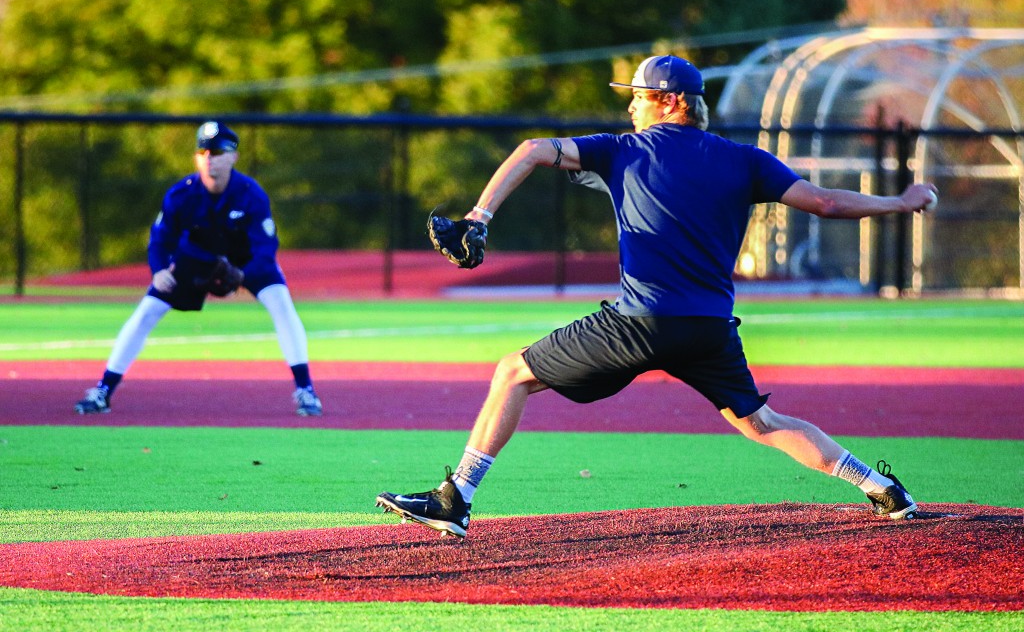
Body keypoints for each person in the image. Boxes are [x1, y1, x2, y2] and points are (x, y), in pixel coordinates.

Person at [376, 55, 935, 538]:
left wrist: (479, 217)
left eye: (639, 98)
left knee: (512, 373)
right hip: (709, 329)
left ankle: (456, 499)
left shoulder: (624, 150)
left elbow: (530, 150)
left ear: (669, 101)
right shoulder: (743, 160)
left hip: (641, 321)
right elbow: (827, 204)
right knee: (761, 422)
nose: (631, 109)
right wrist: (903, 202)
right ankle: (881, 487)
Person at [74, 121, 323, 417]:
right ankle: (103, 390)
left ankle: (306, 390)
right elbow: (160, 240)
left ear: (233, 157)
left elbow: (266, 249)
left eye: (217, 151)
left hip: (246, 263)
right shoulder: (182, 195)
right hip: (194, 260)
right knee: (147, 310)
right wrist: (159, 270)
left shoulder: (251, 194)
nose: (209, 158)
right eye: (203, 151)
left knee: (281, 302)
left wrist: (244, 276)